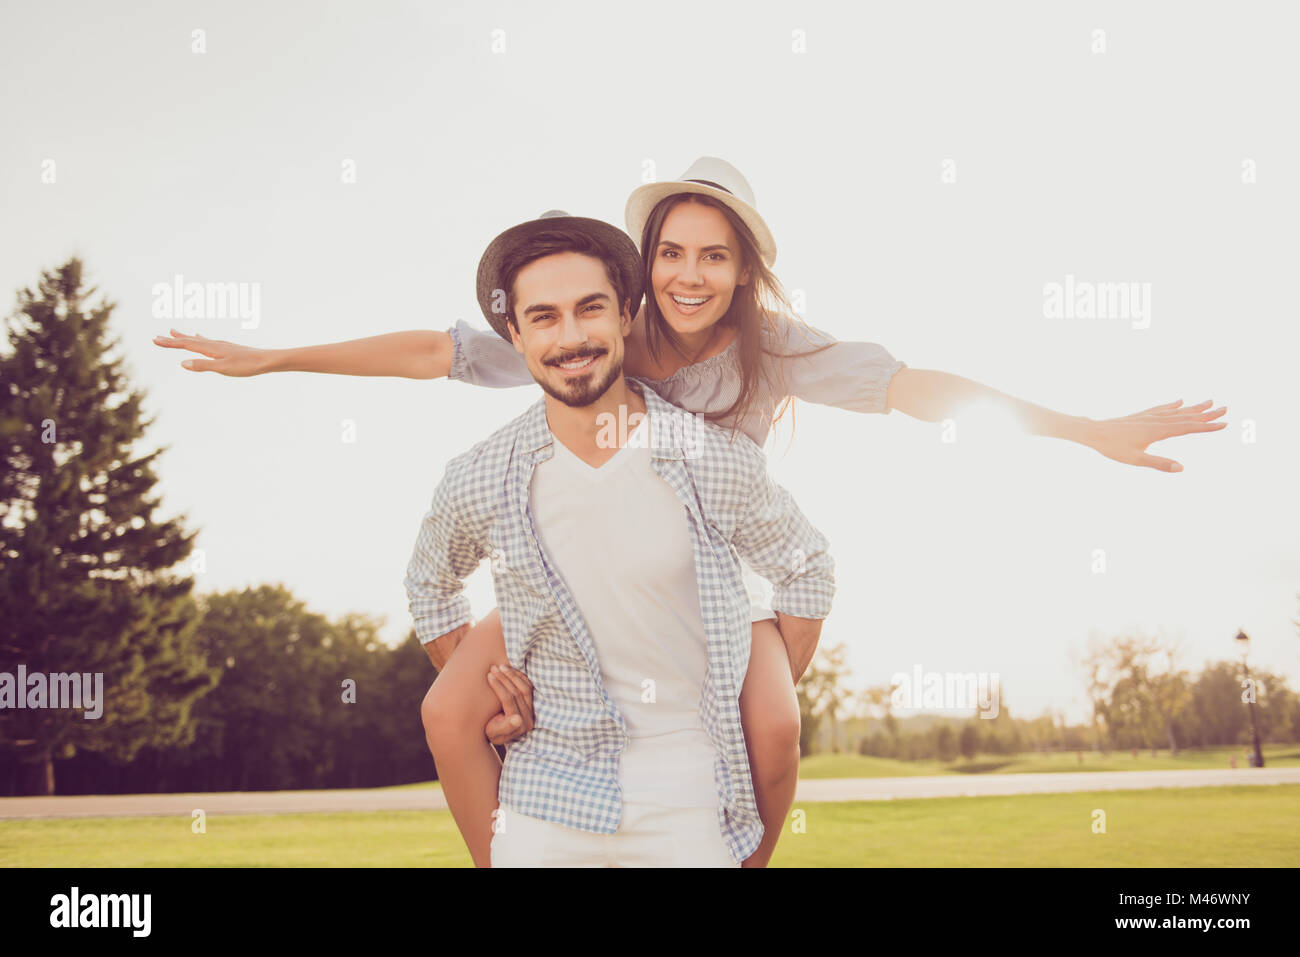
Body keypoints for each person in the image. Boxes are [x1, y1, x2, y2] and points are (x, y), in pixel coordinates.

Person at [153, 158, 1227, 867]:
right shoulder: (602, 327)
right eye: (670, 251)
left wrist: (1086, 428)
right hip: (570, 572)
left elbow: (923, 392)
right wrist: (280, 356)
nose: (688, 273)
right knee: (446, 714)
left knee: (767, 724)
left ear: (745, 267)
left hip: (697, 581)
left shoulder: (784, 348)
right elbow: (434, 352)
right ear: (642, 266)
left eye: (714, 254)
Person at [404, 210, 834, 866]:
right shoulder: (481, 477)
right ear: (514, 334)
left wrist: (752, 680)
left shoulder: (706, 459)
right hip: (546, 799)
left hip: (689, 799)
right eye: (544, 317)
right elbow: (430, 583)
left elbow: (806, 568)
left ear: (627, 314)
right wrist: (498, 682)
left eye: (590, 309)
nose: (571, 336)